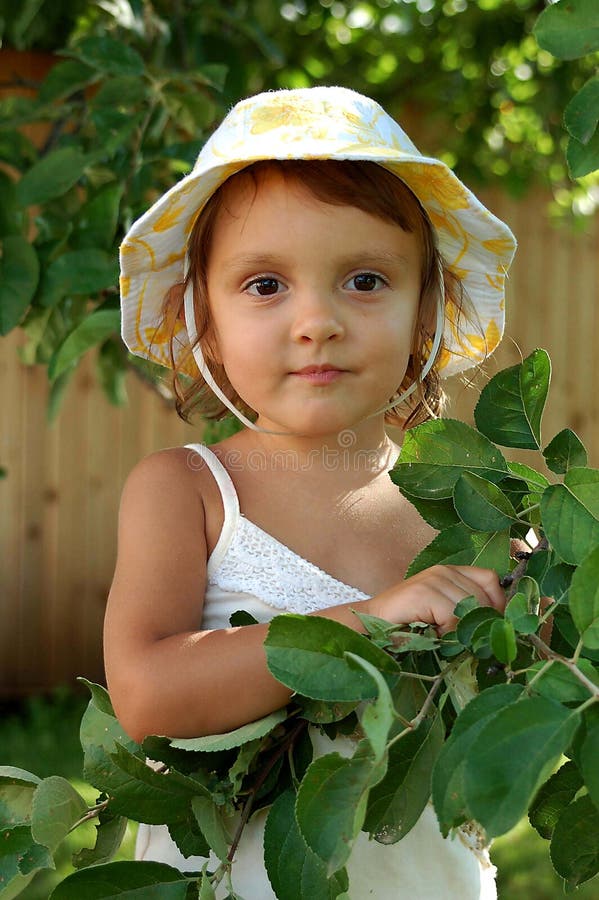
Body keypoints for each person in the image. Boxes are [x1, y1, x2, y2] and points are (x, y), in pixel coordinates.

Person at [105, 86, 517, 899]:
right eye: (265, 286)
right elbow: (149, 696)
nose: (317, 321)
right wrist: (370, 621)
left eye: (364, 280)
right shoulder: (187, 491)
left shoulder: (470, 507)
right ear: (204, 324)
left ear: (423, 313)